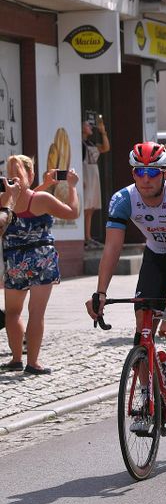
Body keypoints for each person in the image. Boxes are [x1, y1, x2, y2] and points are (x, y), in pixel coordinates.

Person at [87, 143, 166, 409]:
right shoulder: (123, 199)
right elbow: (112, 248)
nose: (145, 179)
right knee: (143, 321)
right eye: (139, 172)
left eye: (153, 173)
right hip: (155, 257)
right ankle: (146, 395)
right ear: (132, 173)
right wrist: (100, 292)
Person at [1, 157, 79, 374]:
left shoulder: (4, 199)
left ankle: (16, 358)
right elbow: (72, 212)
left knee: (13, 313)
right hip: (41, 261)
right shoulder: (42, 199)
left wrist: (44, 185)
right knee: (36, 313)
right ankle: (32, 363)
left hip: (14, 261)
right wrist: (71, 187)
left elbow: (21, 199)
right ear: (31, 173)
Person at [82, 116, 109, 248]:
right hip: (86, 176)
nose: (90, 127)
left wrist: (103, 131)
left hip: (94, 175)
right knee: (85, 208)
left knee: (91, 208)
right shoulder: (80, 143)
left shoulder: (91, 143)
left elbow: (106, 147)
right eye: (87, 125)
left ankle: (88, 237)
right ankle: (84, 237)